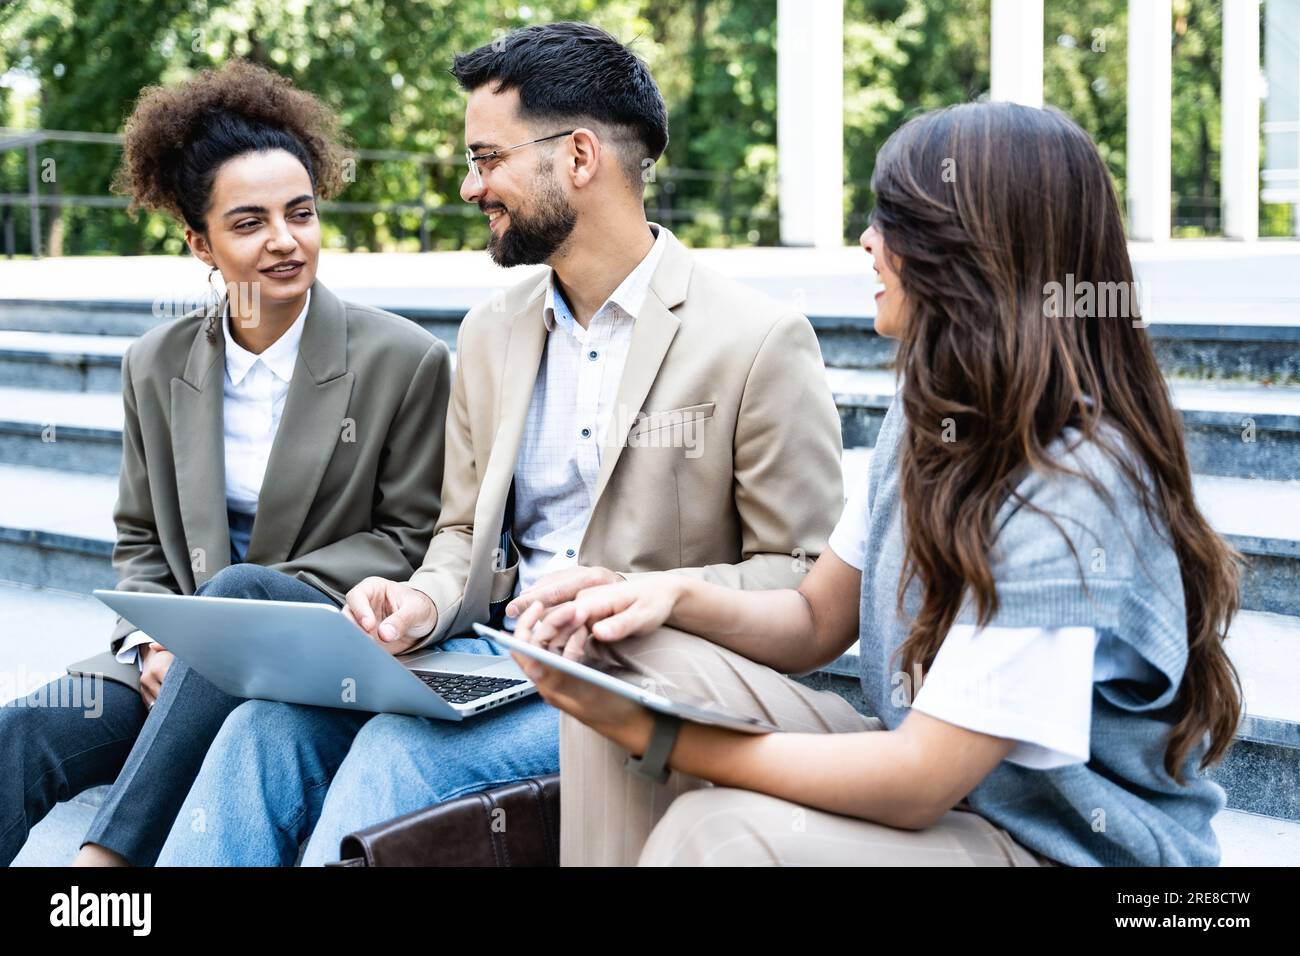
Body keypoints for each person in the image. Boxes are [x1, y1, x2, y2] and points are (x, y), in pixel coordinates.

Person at [155, 21, 845, 867]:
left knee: (396, 754)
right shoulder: (491, 332)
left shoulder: (759, 339)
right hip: (490, 659)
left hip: (636, 686)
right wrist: (420, 602)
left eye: (488, 158)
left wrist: (645, 592)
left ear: (579, 157)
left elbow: (806, 583)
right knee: (267, 727)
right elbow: (456, 538)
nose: (471, 187)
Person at [513, 101, 1244, 867]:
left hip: (1054, 846)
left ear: (967, 249)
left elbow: (919, 781)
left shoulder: (1076, 489)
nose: (867, 240)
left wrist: (669, 740)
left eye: (890, 218)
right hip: (952, 790)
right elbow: (812, 620)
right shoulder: (930, 415)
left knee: (719, 834)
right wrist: (665, 594)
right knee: (615, 656)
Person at [0, 60, 450, 867]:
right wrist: (155, 645)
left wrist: (227, 625)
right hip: (172, 663)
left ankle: (102, 873)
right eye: (249, 223)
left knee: (237, 594)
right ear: (199, 243)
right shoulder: (154, 363)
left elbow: (413, 537)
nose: (285, 240)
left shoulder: (404, 360)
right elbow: (140, 540)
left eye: (301, 213)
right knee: (26, 730)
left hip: (317, 652)